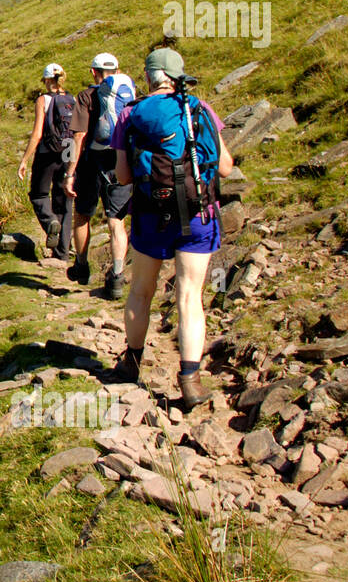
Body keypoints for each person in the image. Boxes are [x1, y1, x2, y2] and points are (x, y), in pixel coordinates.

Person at [110, 47, 234, 408]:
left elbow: (122, 175)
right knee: (189, 296)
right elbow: (224, 167)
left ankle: (131, 362)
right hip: (198, 215)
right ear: (179, 74)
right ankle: (191, 381)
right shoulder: (196, 107)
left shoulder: (130, 114)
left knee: (141, 292)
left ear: (148, 76)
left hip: (151, 215)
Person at [63, 53, 136, 296]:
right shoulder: (127, 94)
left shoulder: (85, 96)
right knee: (116, 221)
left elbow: (79, 136)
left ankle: (81, 266)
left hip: (90, 163)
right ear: (117, 71)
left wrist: (69, 172)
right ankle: (117, 276)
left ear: (93, 72)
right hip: (120, 161)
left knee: (82, 214)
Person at [17, 63, 74, 259]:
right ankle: (63, 253)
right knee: (64, 201)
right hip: (69, 151)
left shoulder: (43, 100)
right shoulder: (72, 99)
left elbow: (37, 133)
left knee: (39, 195)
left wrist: (25, 159)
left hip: (47, 152)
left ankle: (50, 222)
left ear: (47, 80)